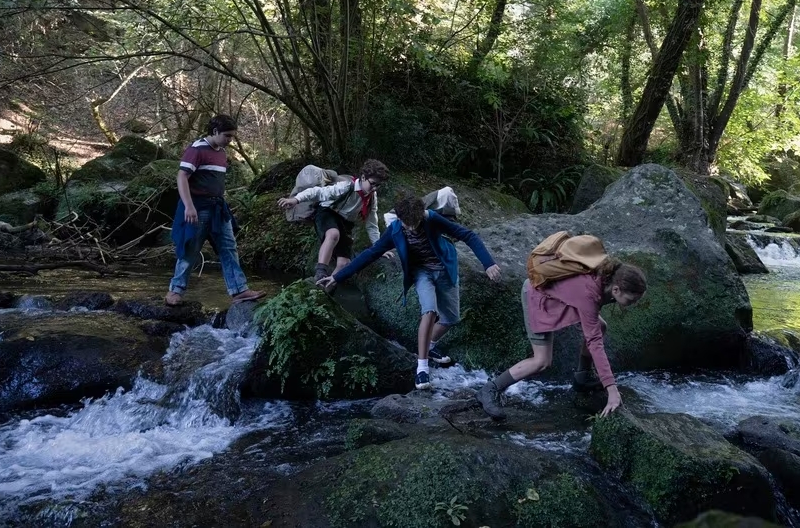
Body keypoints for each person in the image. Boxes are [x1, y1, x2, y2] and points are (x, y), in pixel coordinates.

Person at [317, 194, 501, 389]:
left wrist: (488, 263)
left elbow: (468, 235)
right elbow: (371, 254)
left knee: (450, 319)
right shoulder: (395, 229)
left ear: (422, 214)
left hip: (445, 269)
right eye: (408, 224)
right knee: (429, 311)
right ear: (400, 219)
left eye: (416, 223)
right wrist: (337, 277)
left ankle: (429, 345)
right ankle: (422, 369)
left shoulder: (432, 219)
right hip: (422, 273)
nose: (412, 228)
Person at [476, 258, 647, 421]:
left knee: (601, 326)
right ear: (616, 290)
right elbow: (594, 342)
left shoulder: (606, 280)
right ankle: (490, 389)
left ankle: (583, 377)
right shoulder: (590, 291)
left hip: (562, 298)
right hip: (537, 295)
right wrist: (612, 389)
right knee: (542, 361)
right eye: (632, 300)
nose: (634, 304)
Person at [165, 114, 266, 306]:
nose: (230, 140)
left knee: (229, 247)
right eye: (227, 136)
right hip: (198, 207)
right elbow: (182, 177)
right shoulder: (196, 150)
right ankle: (175, 291)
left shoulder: (221, 153)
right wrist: (189, 206)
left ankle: (239, 290)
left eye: (232, 136)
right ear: (215, 132)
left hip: (218, 209)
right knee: (191, 248)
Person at [277, 159, 391, 282]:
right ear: (363, 177)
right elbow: (317, 192)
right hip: (328, 213)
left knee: (344, 263)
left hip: (346, 224)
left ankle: (325, 288)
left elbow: (372, 223)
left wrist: (379, 247)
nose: (374, 188)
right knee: (333, 234)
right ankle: (320, 272)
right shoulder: (347, 186)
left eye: (378, 185)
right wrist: (295, 200)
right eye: (373, 183)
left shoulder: (371, 198)